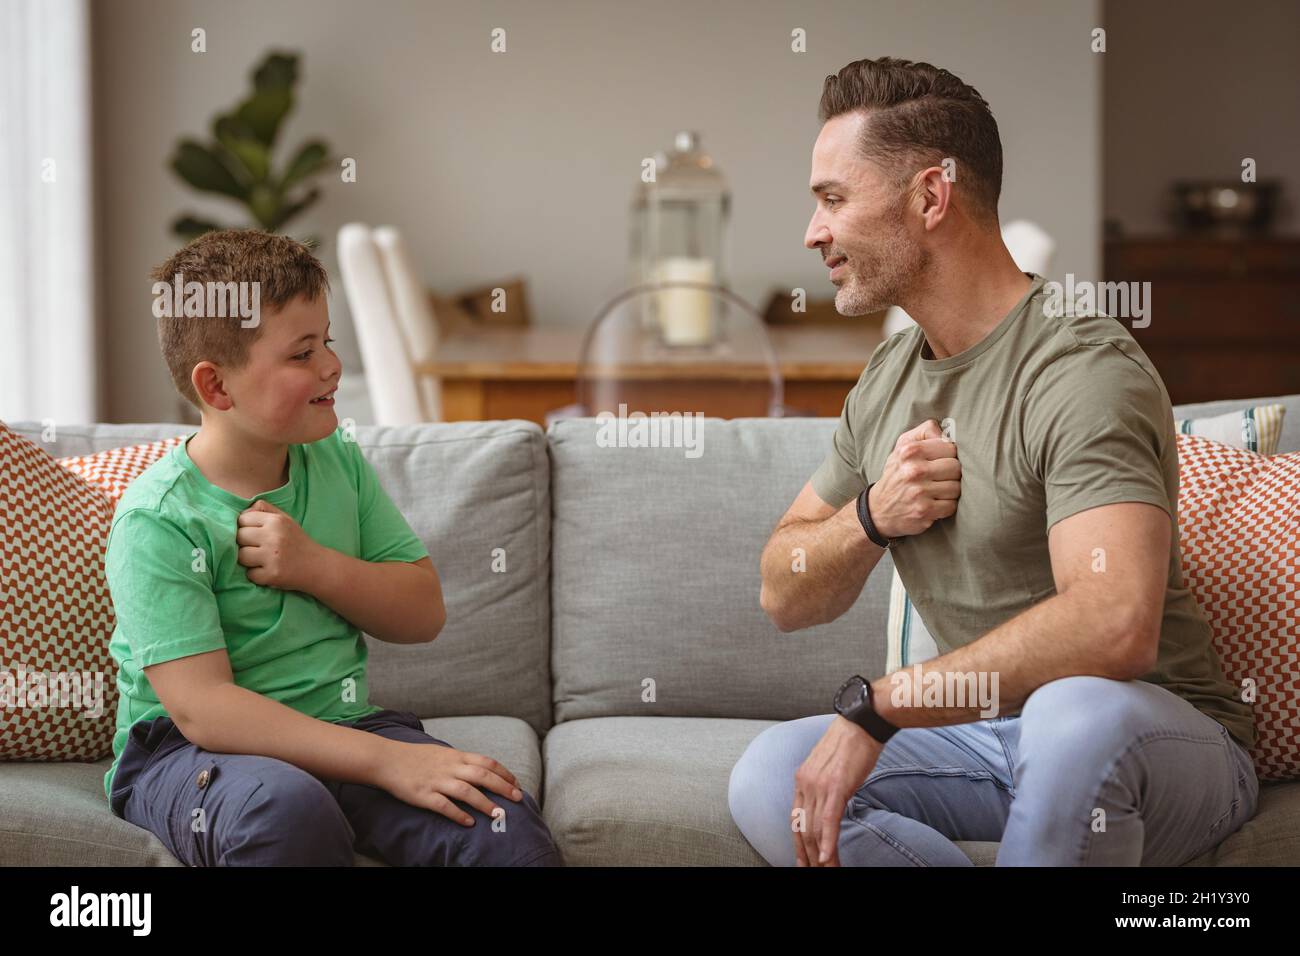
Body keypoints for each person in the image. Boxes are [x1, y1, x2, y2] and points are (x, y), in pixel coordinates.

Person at [730, 56, 1257, 867]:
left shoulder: (1079, 367)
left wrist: (884, 705)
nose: (813, 233)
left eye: (833, 200)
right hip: (991, 738)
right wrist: (871, 516)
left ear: (930, 198)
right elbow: (782, 592)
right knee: (771, 778)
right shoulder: (889, 377)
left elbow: (1116, 625)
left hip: (1157, 744)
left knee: (1072, 717)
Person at [104, 229, 560, 866]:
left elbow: (423, 614)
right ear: (217, 388)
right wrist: (388, 761)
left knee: (500, 823)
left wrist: (313, 565)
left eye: (328, 341)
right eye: (301, 353)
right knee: (287, 810)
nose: (331, 367)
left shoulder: (336, 459)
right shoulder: (158, 518)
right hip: (190, 752)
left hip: (340, 725)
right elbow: (204, 710)